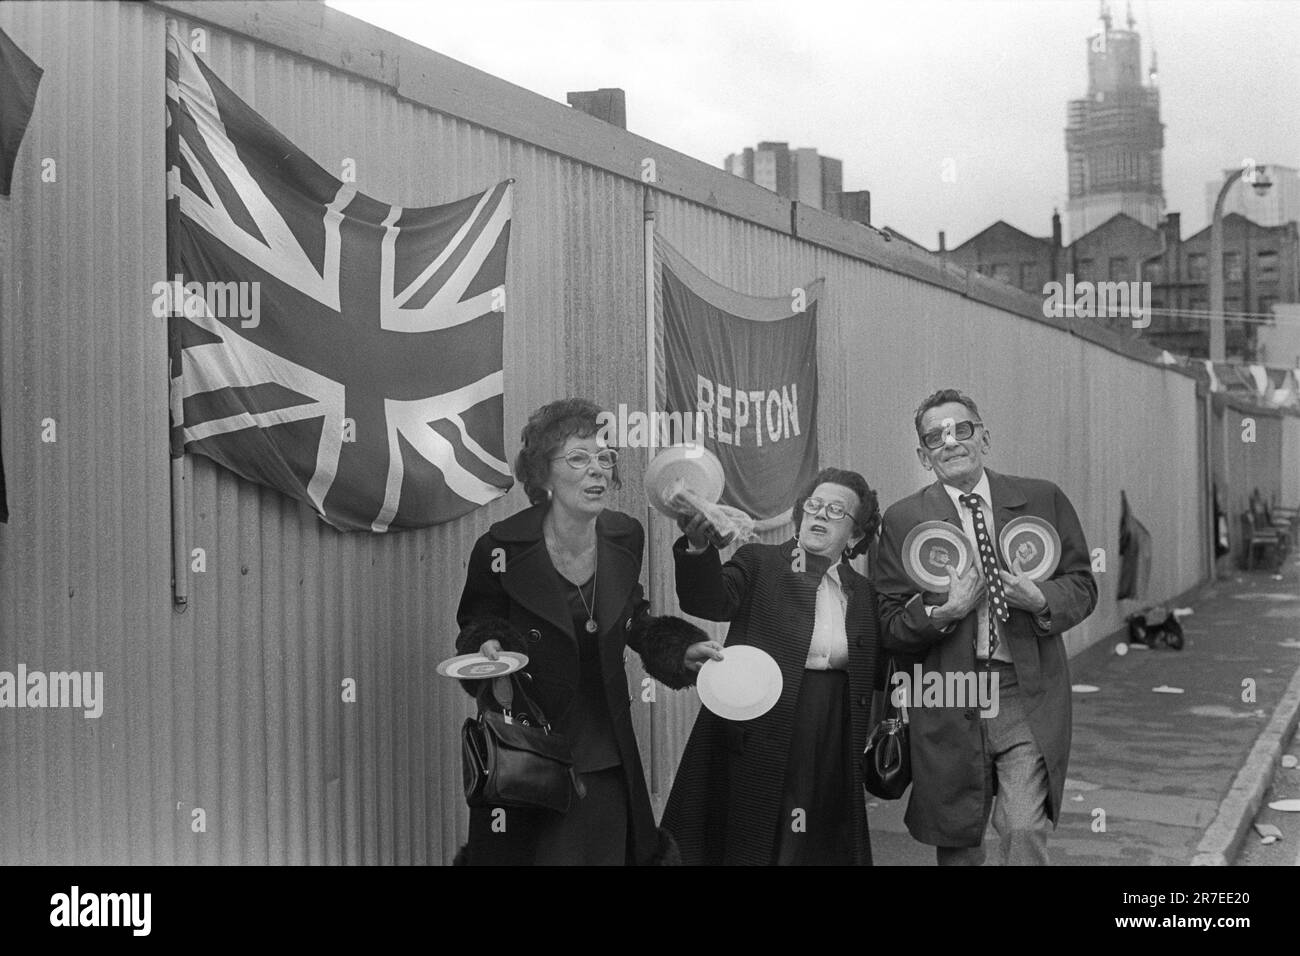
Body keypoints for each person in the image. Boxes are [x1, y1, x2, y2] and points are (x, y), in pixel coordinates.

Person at [452, 398, 715, 865]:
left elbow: (633, 618)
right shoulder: (499, 547)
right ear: (543, 474)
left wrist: (680, 649)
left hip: (605, 745)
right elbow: (476, 625)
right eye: (578, 458)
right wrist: (488, 648)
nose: (597, 469)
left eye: (605, 458)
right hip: (529, 749)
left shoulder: (624, 536)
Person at [873, 389, 1098, 865]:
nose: (951, 442)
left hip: (1024, 688)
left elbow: (1082, 585)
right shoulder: (903, 519)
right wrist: (944, 612)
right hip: (947, 690)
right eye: (936, 437)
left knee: (1023, 825)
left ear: (985, 438)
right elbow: (889, 623)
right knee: (959, 839)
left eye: (962, 429)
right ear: (923, 455)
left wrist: (1041, 599)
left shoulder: (1042, 498)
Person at [662, 467, 884, 865]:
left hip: (833, 732)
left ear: (854, 534)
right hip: (761, 730)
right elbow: (708, 601)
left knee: (818, 837)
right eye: (814, 505)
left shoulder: (864, 593)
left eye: (836, 510)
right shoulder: (759, 561)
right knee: (762, 836)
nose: (820, 514)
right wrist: (698, 546)